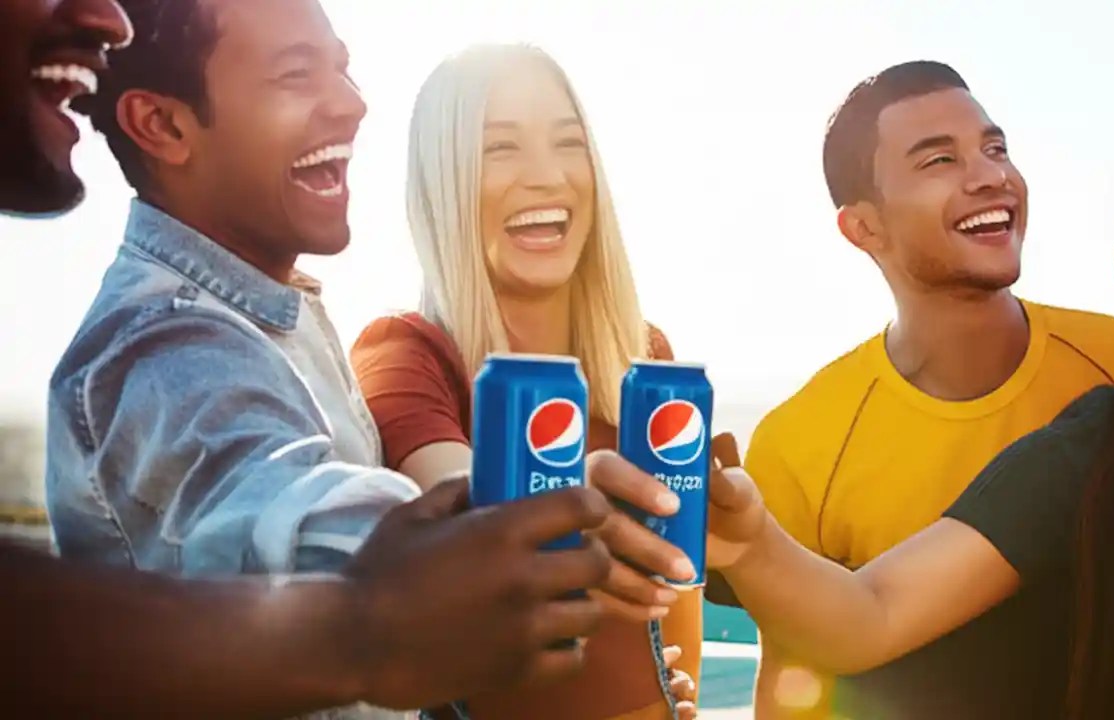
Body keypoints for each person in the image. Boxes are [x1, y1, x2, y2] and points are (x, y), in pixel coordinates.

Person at [0, 1, 678, 716]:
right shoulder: (167, 347)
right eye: (297, 75)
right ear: (164, 126)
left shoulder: (263, 319)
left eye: (344, 69)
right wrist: (548, 517)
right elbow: (287, 521)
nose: (353, 104)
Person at [707, 87, 1114, 719]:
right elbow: (869, 618)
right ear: (862, 225)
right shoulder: (1104, 442)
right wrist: (749, 544)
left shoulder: (1112, 358)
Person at [350, 44, 701, 720]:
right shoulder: (404, 351)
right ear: (444, 183)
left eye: (567, 144)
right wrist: (583, 505)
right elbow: (470, 515)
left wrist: (667, 690)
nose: (546, 177)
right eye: (499, 149)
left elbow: (673, 585)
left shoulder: (645, 355)